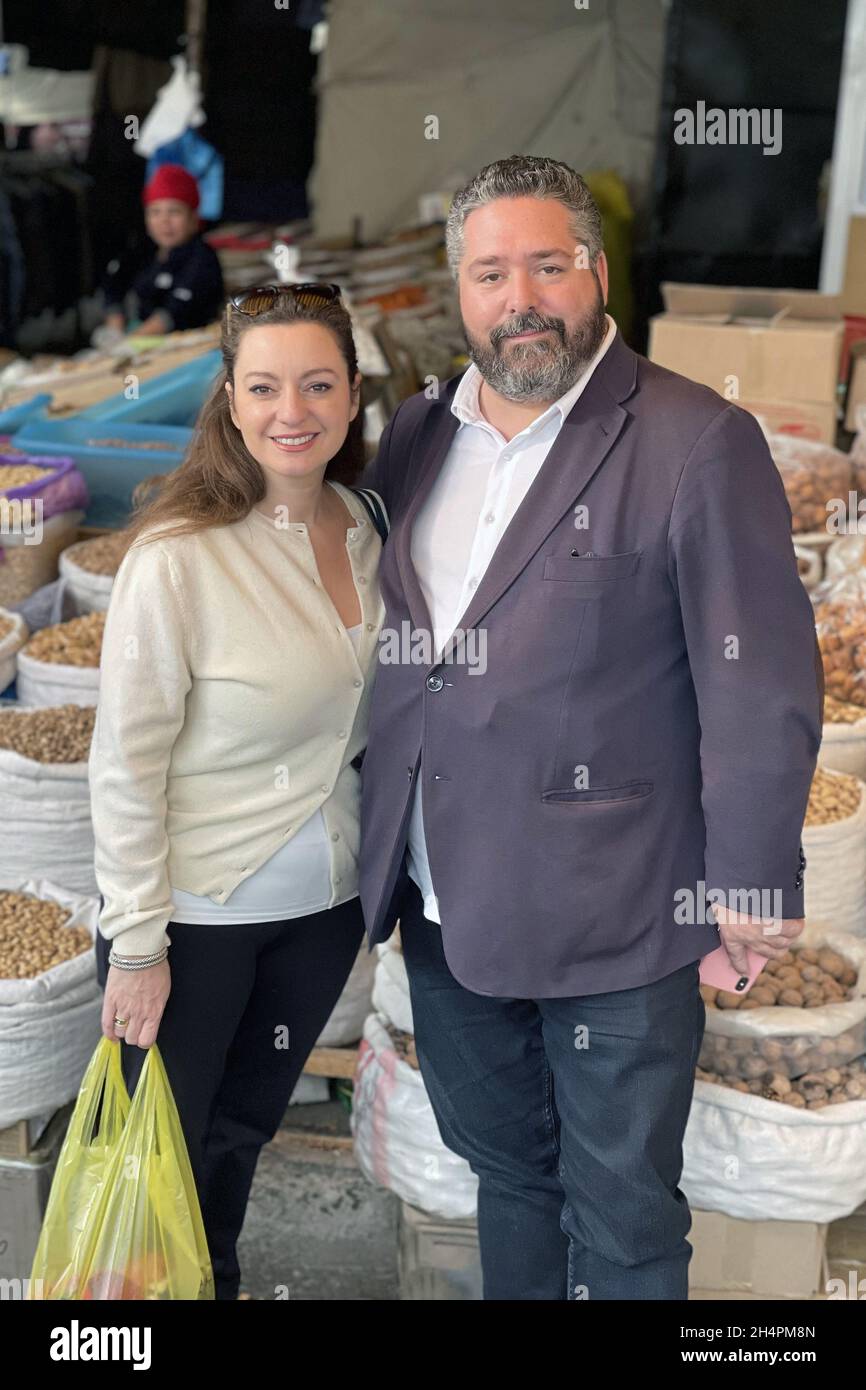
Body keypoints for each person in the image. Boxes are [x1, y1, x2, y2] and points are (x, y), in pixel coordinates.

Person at [358, 155, 824, 1301]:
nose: (519, 296)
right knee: (509, 1177)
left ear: (594, 273)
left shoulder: (692, 439)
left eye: (546, 265)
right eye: (488, 272)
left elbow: (757, 679)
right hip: (444, 899)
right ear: (458, 292)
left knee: (618, 1215)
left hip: (612, 909)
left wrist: (749, 882)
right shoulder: (417, 434)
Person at [89, 283, 388, 1301]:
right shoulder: (177, 559)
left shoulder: (361, 525)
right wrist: (136, 943)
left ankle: (210, 1283)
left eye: (316, 383)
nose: (290, 410)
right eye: (262, 386)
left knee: (237, 1139)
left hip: (316, 915)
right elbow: (124, 762)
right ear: (228, 398)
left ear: (352, 396)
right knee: (150, 1161)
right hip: (198, 919)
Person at [100, 163, 224, 336]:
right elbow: (113, 286)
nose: (164, 221)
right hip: (141, 340)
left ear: (194, 218)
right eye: (155, 212)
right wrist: (115, 323)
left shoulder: (202, 258)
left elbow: (178, 311)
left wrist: (128, 342)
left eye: (174, 212)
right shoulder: (143, 250)